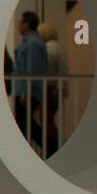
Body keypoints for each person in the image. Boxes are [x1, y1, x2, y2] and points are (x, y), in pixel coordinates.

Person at [12, 11, 49, 154]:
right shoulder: (30, 42)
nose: (18, 25)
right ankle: (48, 148)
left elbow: (31, 70)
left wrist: (25, 93)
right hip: (26, 91)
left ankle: (50, 148)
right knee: (25, 124)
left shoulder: (32, 44)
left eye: (20, 22)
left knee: (25, 124)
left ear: (27, 24)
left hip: (27, 92)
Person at [37, 22, 66, 155]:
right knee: (48, 120)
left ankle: (53, 148)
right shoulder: (58, 48)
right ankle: (54, 147)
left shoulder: (48, 49)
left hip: (49, 88)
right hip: (54, 88)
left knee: (46, 120)